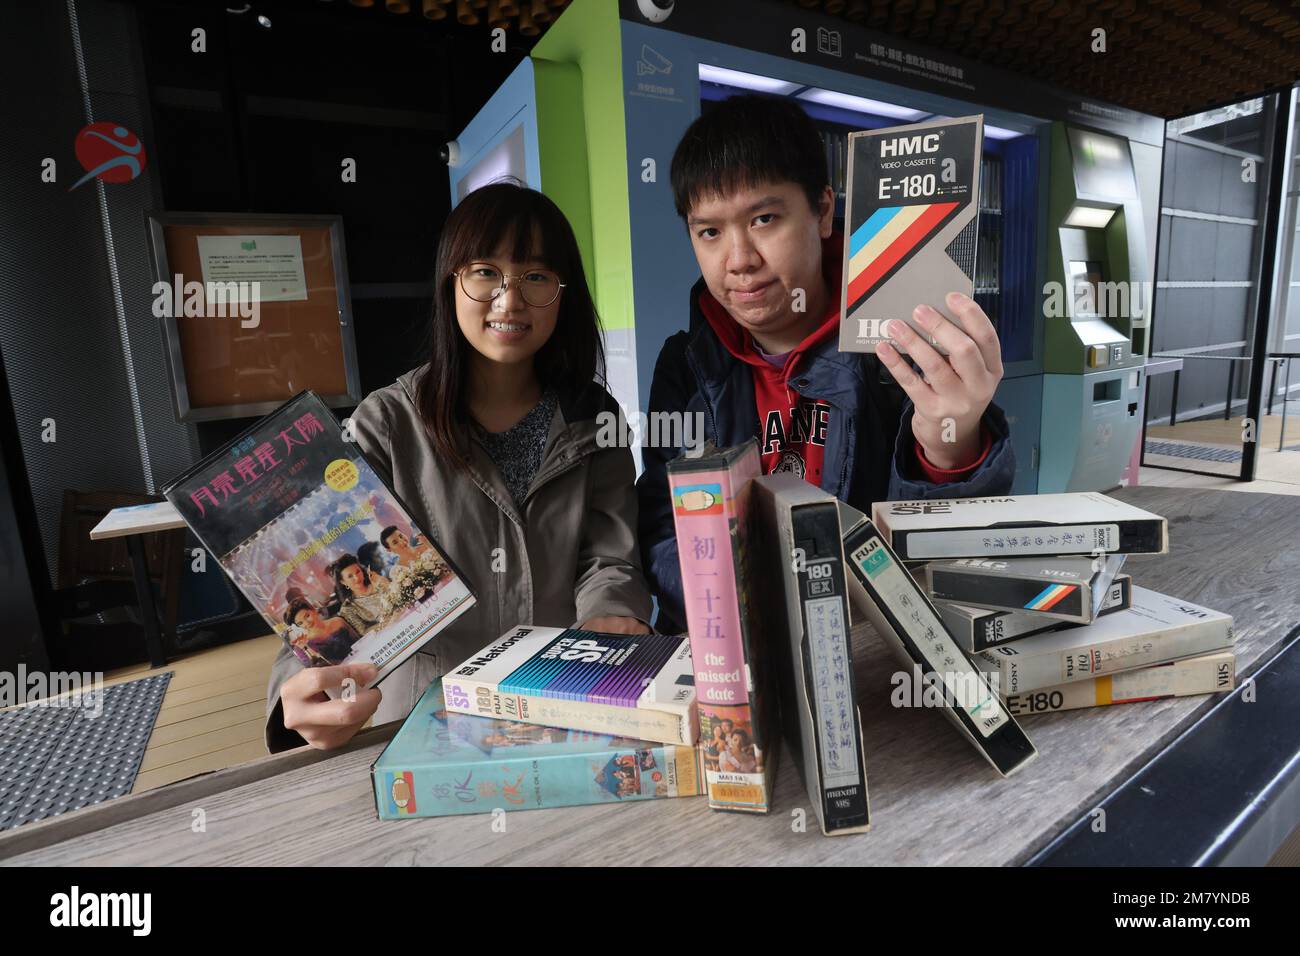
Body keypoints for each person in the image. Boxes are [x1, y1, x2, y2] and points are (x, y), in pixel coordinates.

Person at [265, 180, 653, 752]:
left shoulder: (595, 415)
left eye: (536, 276)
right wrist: (291, 698)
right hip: (420, 723)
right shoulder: (387, 424)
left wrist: (612, 616)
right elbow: (326, 587)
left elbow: (610, 558)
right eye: (485, 272)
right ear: (452, 283)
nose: (510, 300)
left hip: (560, 706)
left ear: (563, 292)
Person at [636, 94, 1015, 631]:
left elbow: (940, 553)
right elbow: (661, 520)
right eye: (710, 232)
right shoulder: (684, 364)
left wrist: (949, 442)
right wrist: (736, 609)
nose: (739, 259)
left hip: (867, 659)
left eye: (764, 218)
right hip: (726, 656)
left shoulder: (900, 345)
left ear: (824, 212)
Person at [330, 553, 393, 637]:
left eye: (358, 571)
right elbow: (364, 632)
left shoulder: (379, 583)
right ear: (343, 582)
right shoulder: (348, 608)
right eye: (350, 576)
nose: (356, 578)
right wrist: (389, 621)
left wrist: (385, 583)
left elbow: (399, 596)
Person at [282, 599, 358, 666]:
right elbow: (318, 670)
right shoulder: (303, 647)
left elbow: (359, 641)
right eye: (300, 623)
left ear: (313, 609)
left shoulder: (338, 622)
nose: (307, 623)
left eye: (307, 616)